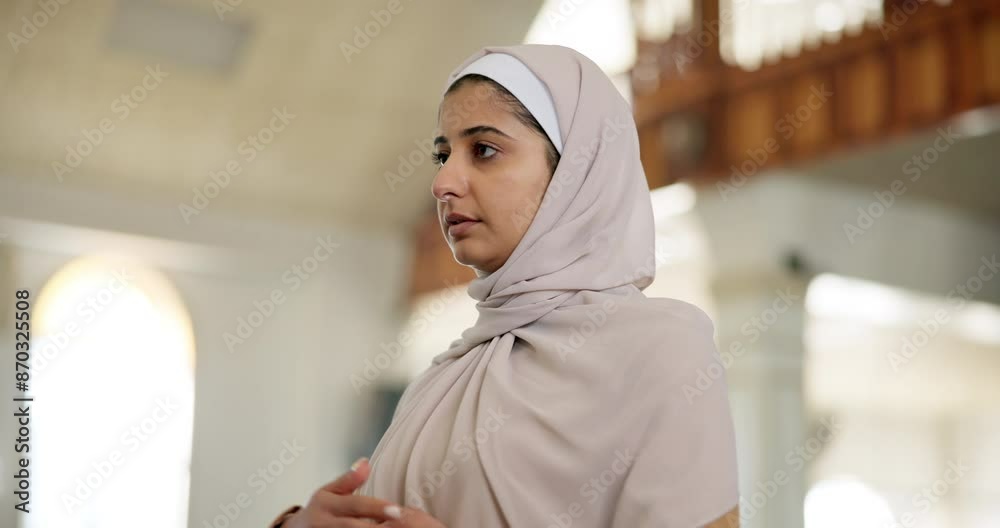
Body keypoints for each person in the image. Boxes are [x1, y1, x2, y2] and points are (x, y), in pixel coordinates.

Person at [270, 43, 740, 528]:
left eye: (484, 150)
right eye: (442, 154)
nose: (443, 182)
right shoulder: (442, 380)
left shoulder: (661, 351)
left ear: (572, 172)